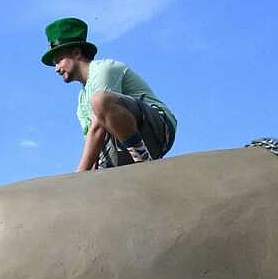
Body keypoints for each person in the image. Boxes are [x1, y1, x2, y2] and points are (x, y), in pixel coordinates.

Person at [42, 17, 177, 171]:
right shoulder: (82, 100)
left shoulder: (102, 70)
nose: (56, 69)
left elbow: (98, 127)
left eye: (59, 60)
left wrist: (78, 175)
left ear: (77, 53)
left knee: (100, 101)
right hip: (123, 145)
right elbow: (92, 139)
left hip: (157, 129)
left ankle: (143, 160)